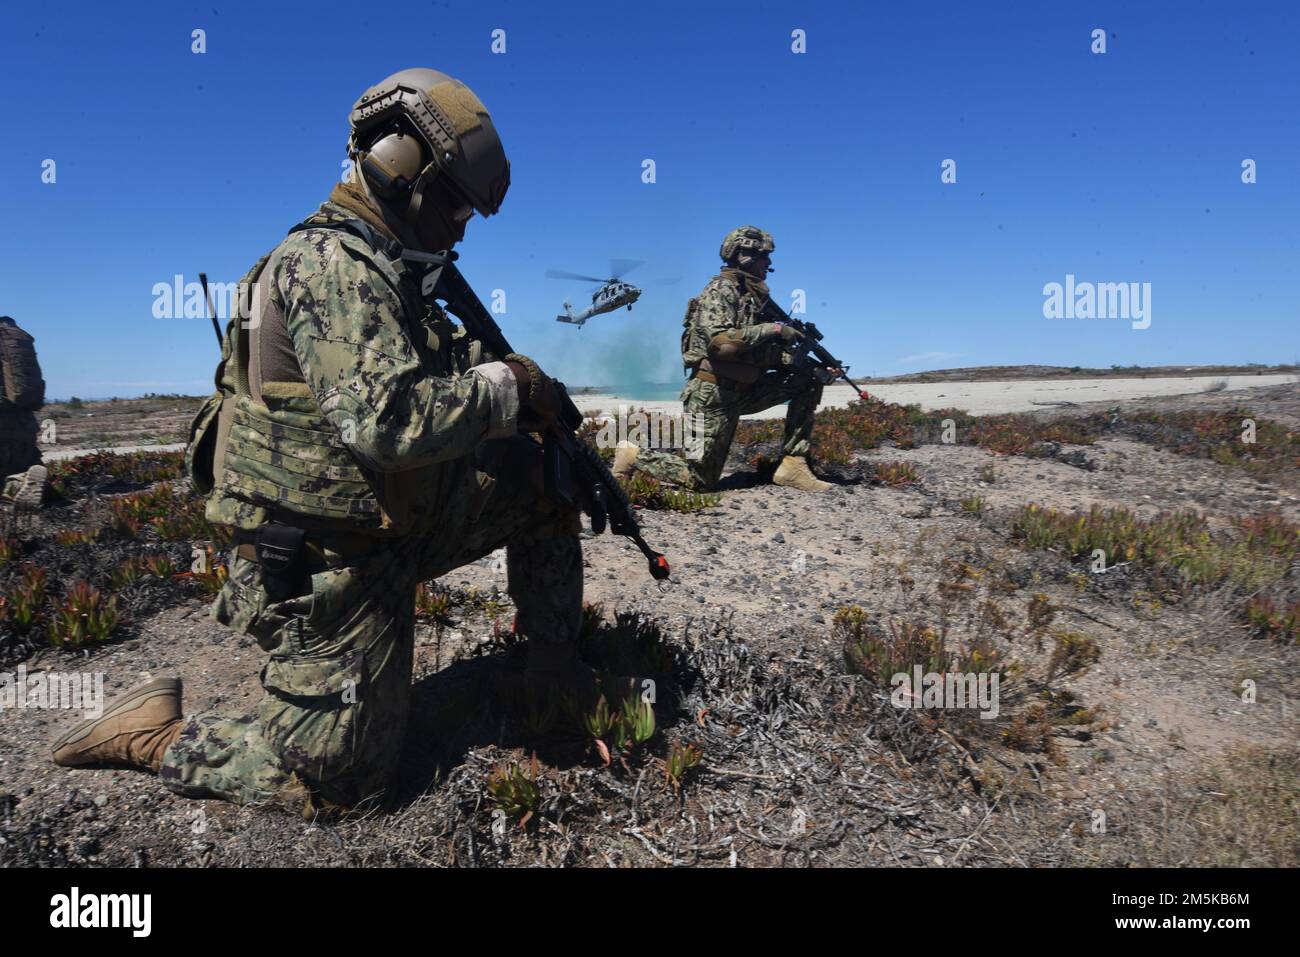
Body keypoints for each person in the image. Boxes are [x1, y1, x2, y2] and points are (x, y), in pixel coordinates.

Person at [52, 68, 596, 813]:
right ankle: (159, 733)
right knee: (342, 789)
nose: (462, 227)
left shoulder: (387, 269)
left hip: (380, 522)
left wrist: (516, 399)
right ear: (402, 170)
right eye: (456, 205)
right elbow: (389, 421)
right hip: (318, 560)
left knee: (545, 480)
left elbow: (418, 376)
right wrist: (510, 388)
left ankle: (549, 675)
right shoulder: (331, 265)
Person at [614, 226, 832, 492]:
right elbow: (721, 346)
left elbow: (759, 353)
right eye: (764, 256)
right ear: (744, 255)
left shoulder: (752, 299)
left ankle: (792, 465)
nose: (769, 263)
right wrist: (774, 329)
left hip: (745, 391)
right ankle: (633, 455)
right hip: (710, 397)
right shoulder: (720, 291)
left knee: (808, 379)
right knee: (700, 480)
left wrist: (802, 361)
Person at [0, 316, 48, 509]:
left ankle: (18, 484)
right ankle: (22, 481)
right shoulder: (13, 336)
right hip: (24, 421)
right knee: (22, 464)